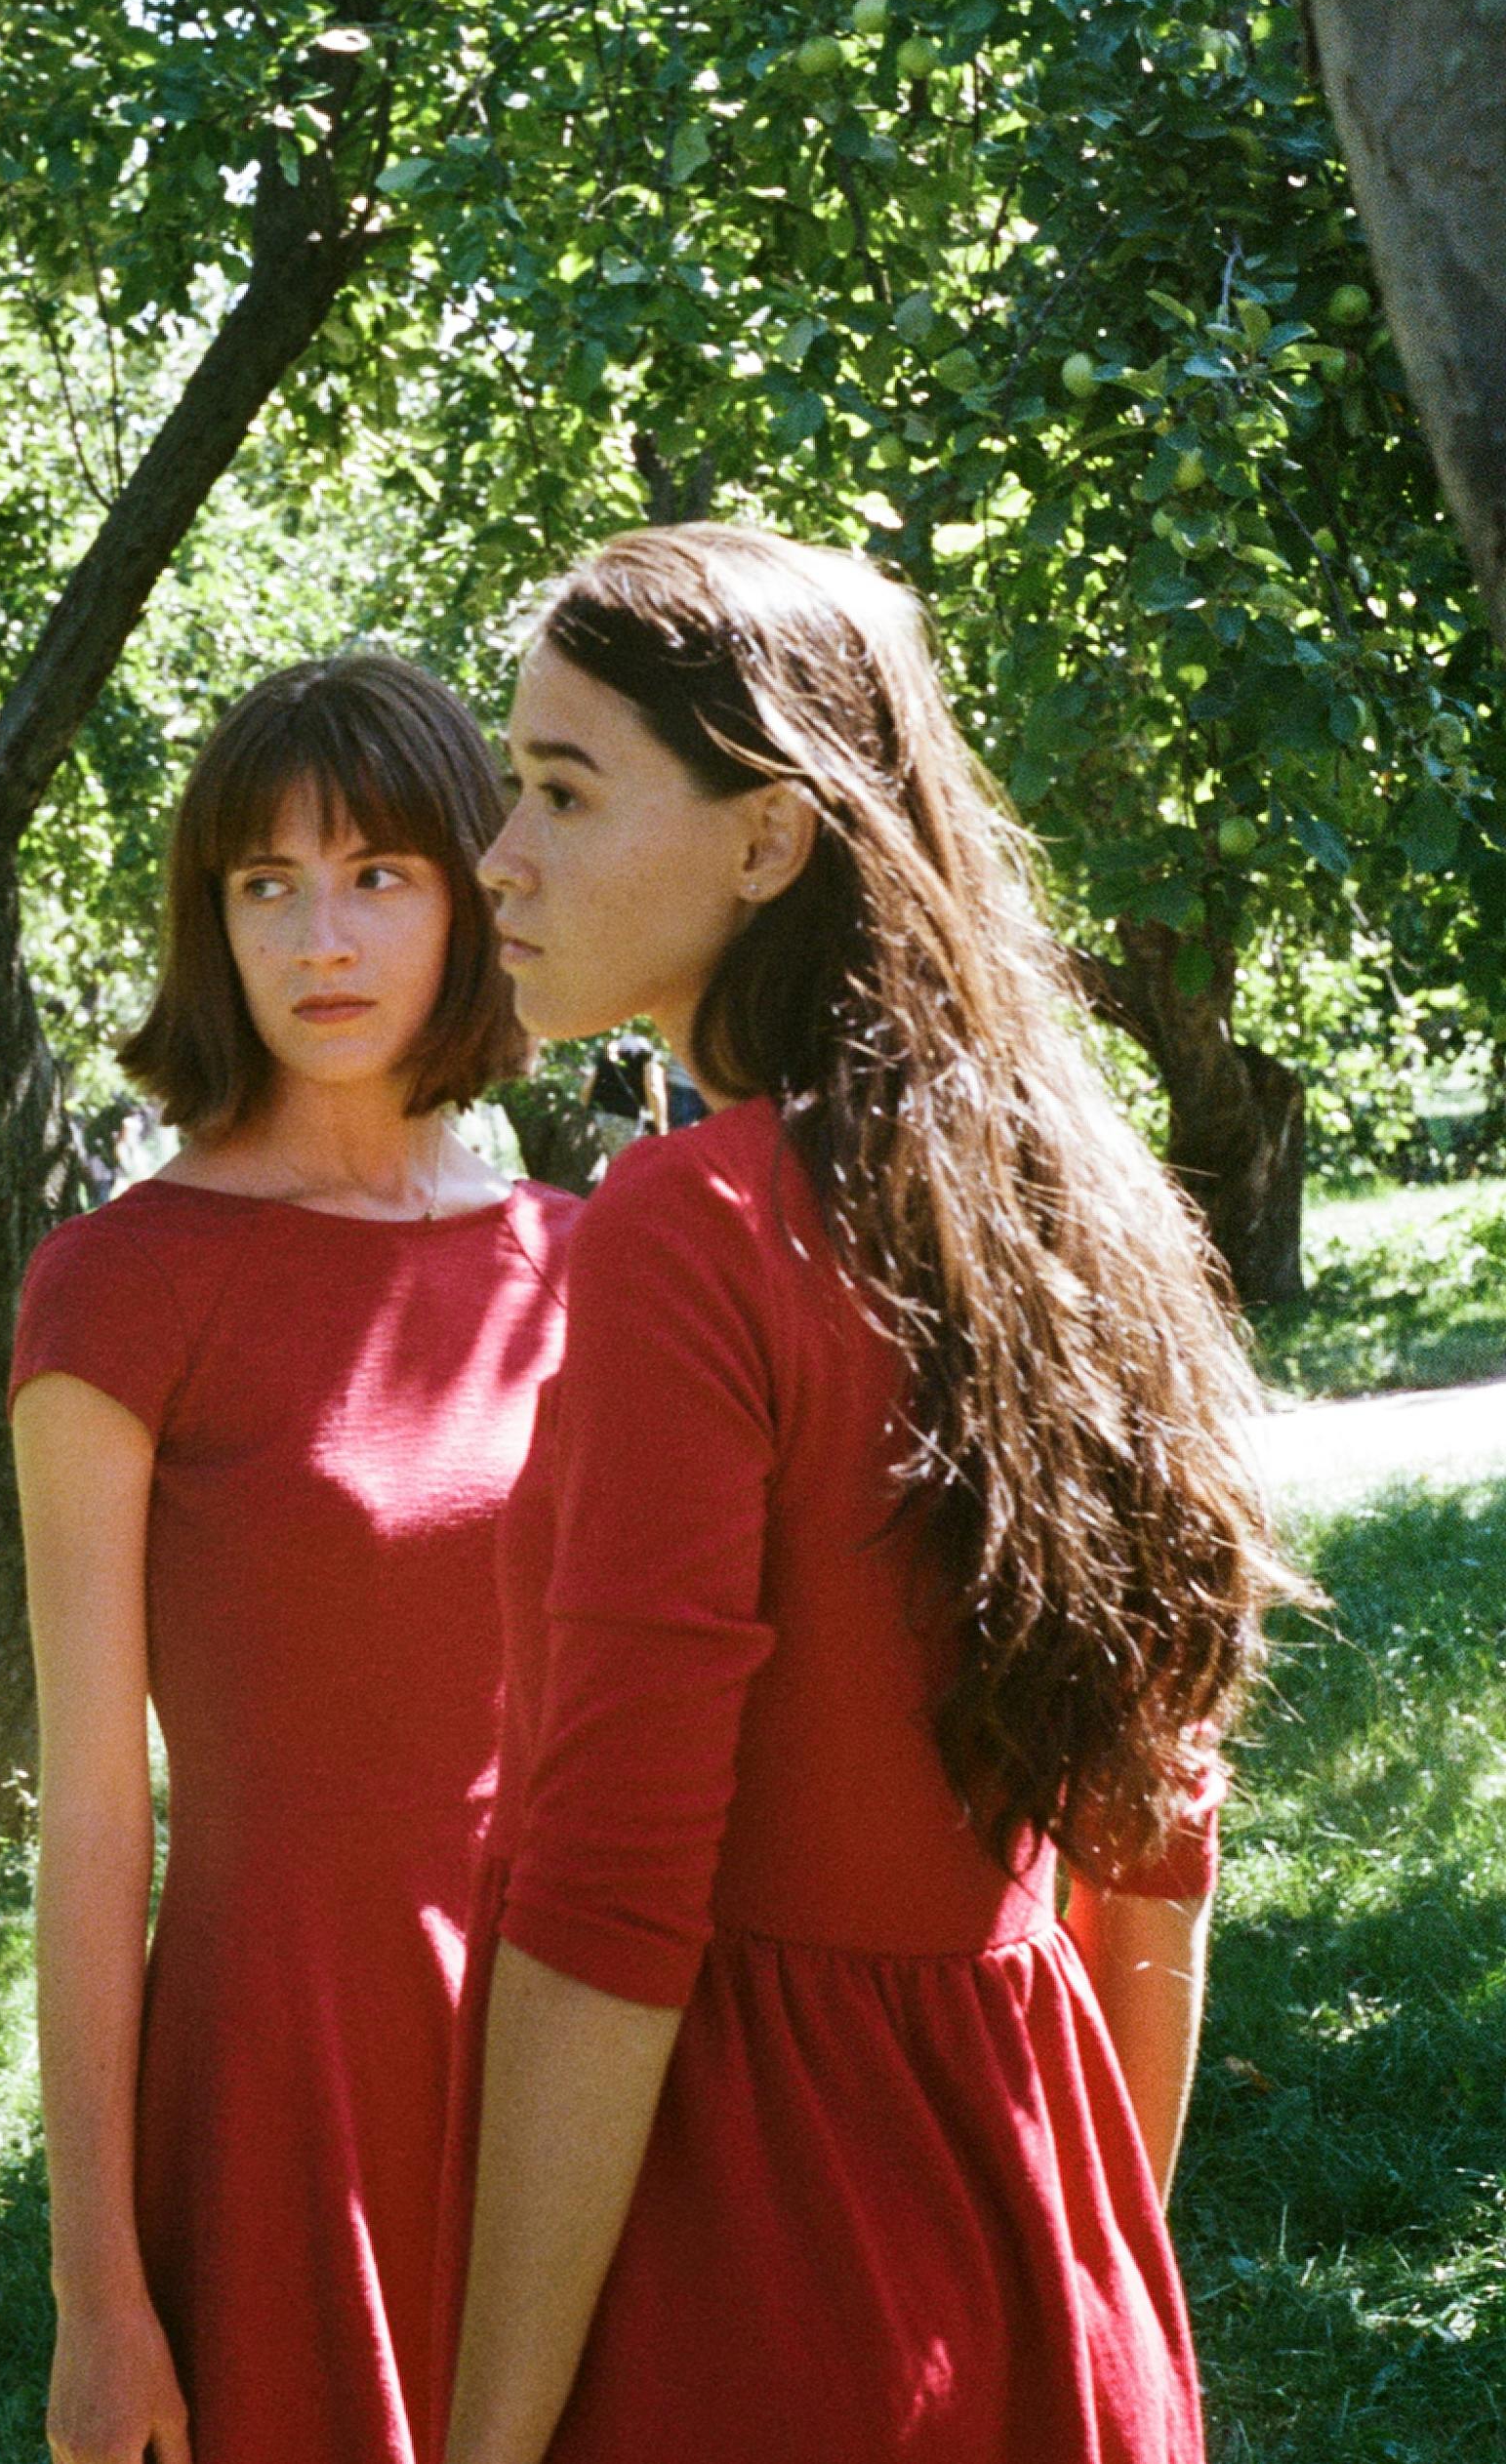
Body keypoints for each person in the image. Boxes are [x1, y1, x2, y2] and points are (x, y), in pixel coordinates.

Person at [439, 527, 1304, 2464]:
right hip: (1045, 2250)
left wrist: (486, 2438)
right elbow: (1156, 1842)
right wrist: (1097, 2269)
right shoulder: (1072, 1212)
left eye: (564, 790)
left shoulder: (687, 1232)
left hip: (748, 2273)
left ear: (766, 842)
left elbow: (611, 1897)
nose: (499, 854)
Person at [9, 652, 581, 2464]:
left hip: (579, 2037)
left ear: (471, 894)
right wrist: (96, 2300)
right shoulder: (118, 1283)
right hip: (284, 2075)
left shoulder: (588, 1262)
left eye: (375, 875)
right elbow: (97, 1820)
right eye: (263, 884)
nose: (314, 938)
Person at [577, 1031, 667, 1168]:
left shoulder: (608, 1058)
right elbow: (654, 1089)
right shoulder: (647, 1056)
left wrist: (584, 1111)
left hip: (596, 1119)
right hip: (626, 1121)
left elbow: (586, 1089)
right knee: (627, 1169)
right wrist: (661, 1128)